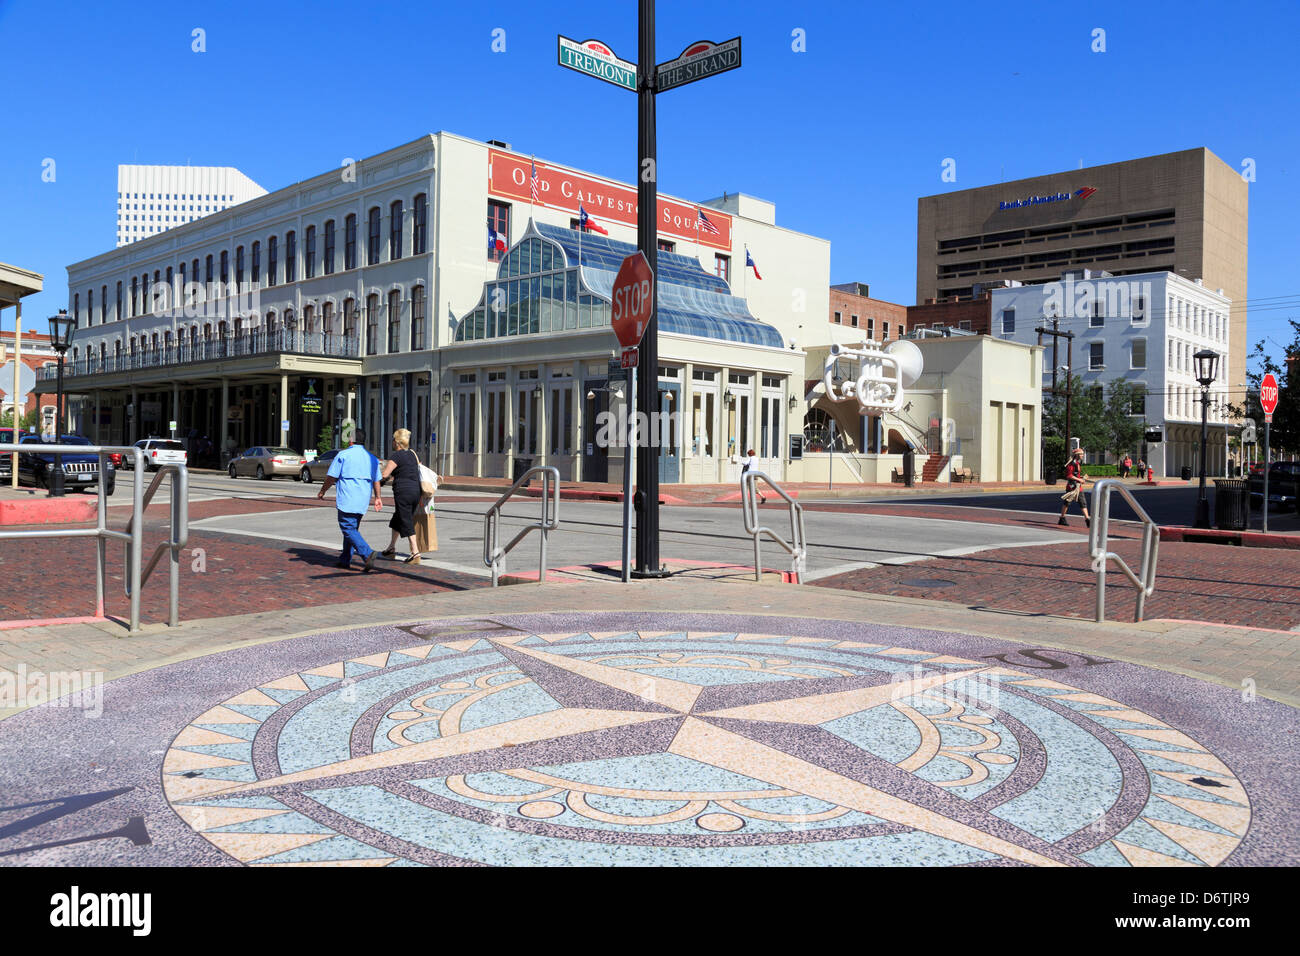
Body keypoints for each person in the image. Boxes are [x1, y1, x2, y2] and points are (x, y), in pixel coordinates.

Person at [317, 427, 382, 571]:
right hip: (363, 499)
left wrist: (323, 491)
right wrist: (378, 497)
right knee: (352, 528)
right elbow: (376, 480)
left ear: (350, 440)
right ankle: (345, 559)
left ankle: (367, 553)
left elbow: (331, 476)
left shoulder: (343, 455)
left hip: (348, 498)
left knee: (347, 528)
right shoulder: (372, 458)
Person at [379, 428, 423, 564]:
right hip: (416, 491)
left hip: (403, 492)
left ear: (397, 442)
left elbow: (385, 474)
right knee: (398, 518)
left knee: (406, 520)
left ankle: (415, 552)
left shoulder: (396, 456)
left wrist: (376, 483)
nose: (392, 442)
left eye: (393, 439)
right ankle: (391, 548)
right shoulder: (412, 454)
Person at [1058, 447, 1093, 528]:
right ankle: (1062, 518)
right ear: (1077, 455)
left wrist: (1081, 478)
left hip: (1078, 486)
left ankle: (1087, 519)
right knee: (1067, 502)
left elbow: (1075, 474)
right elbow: (1069, 475)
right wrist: (1079, 480)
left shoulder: (1077, 463)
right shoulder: (1072, 464)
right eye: (1081, 454)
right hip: (1072, 487)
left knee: (1082, 502)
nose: (1083, 455)